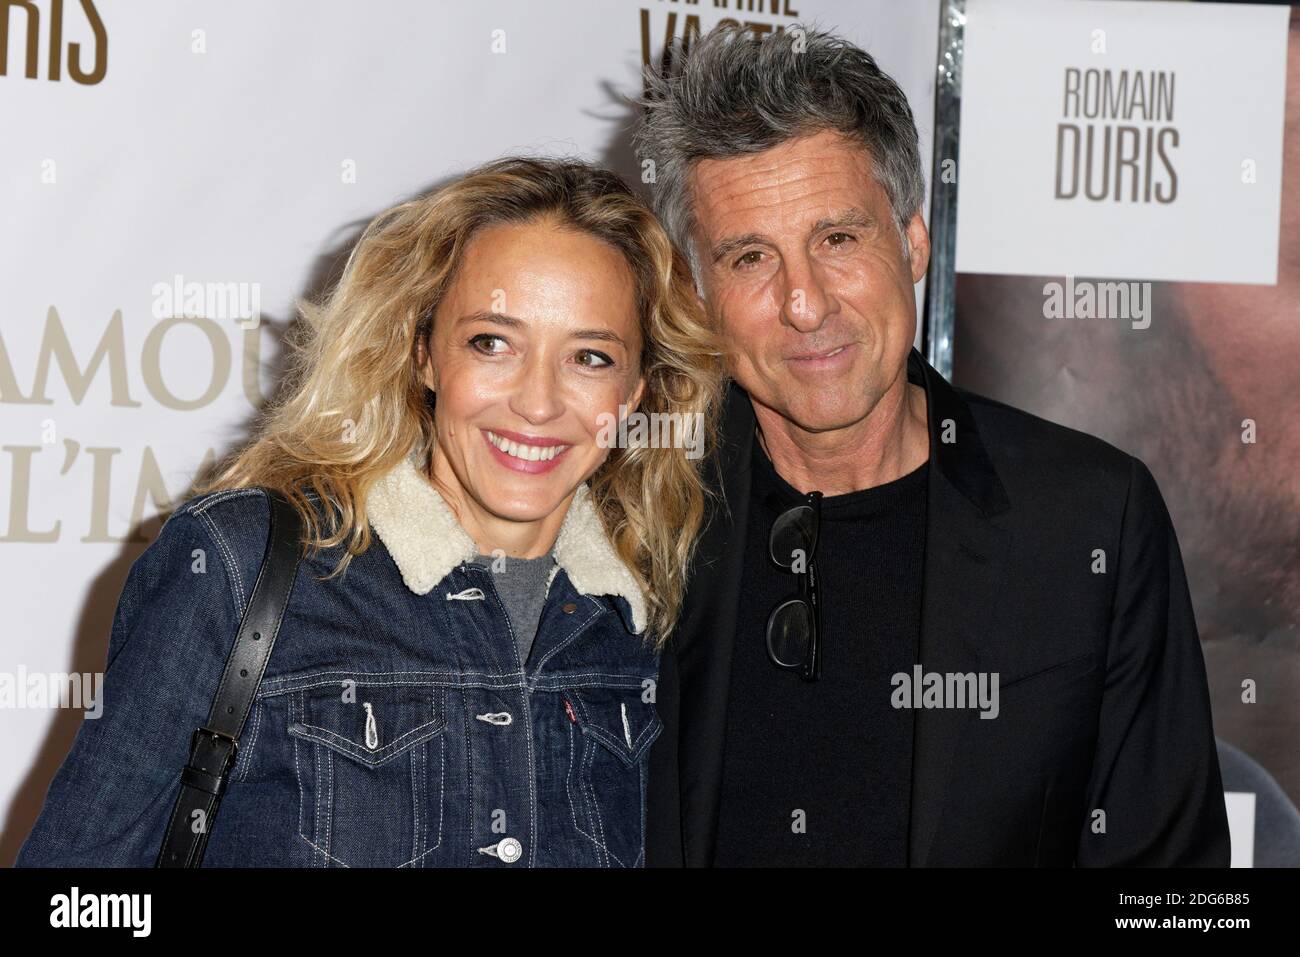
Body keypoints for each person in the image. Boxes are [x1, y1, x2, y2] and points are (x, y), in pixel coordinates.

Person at [633, 24, 1231, 866]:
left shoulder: (1090, 520)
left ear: (912, 243)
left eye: (837, 239)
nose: (804, 303)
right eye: (749, 257)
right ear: (697, 293)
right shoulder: (632, 513)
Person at [16, 157, 722, 867]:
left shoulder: (649, 621)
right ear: (423, 353)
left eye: (590, 357)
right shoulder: (244, 567)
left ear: (634, 393)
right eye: (492, 342)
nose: (537, 402)